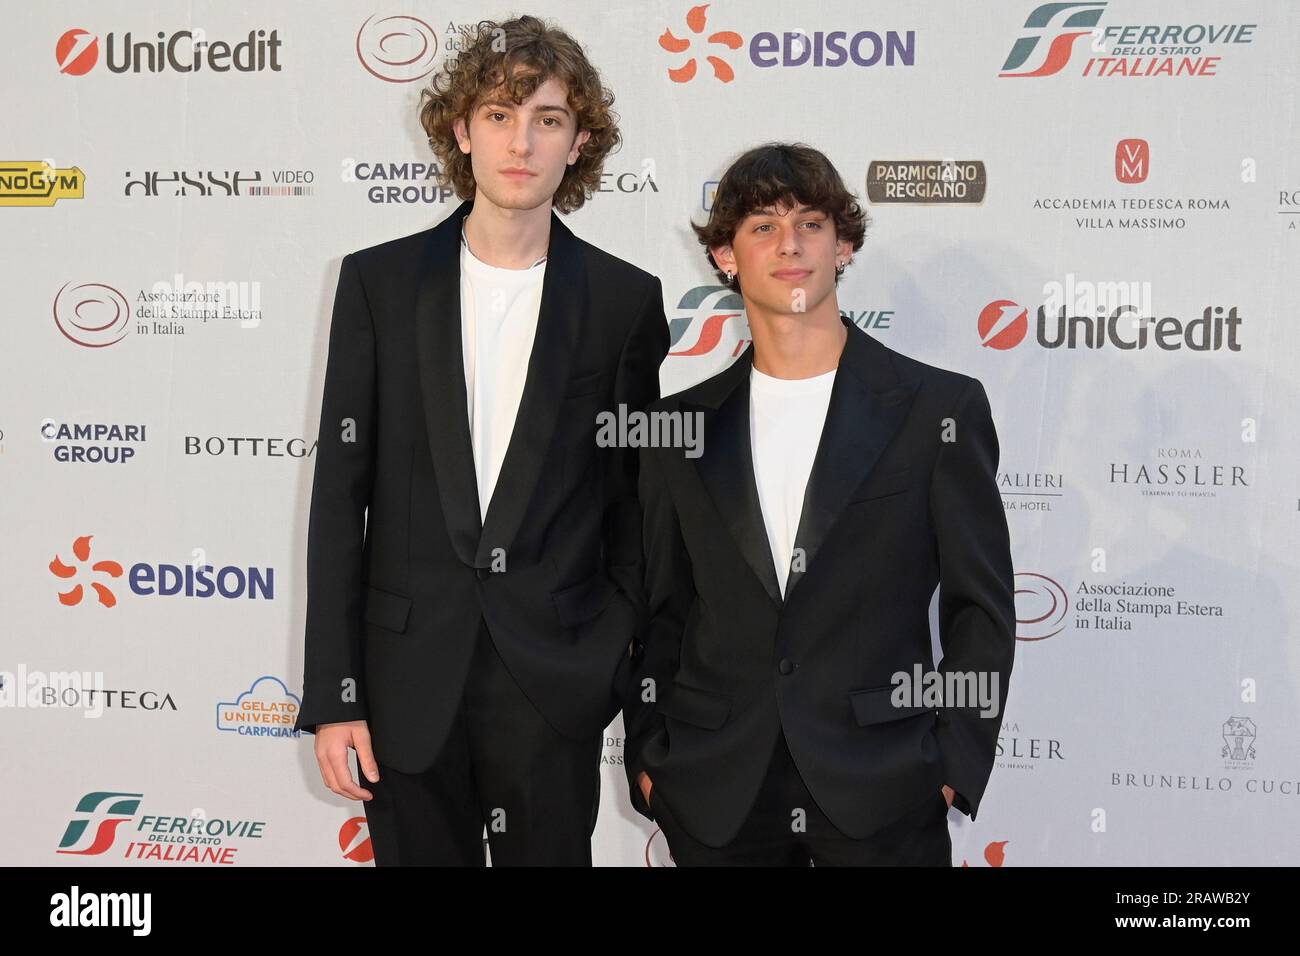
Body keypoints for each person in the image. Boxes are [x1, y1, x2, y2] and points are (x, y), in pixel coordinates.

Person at [294, 15, 668, 866]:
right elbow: (338, 498)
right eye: (498, 115)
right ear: (461, 131)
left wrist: (606, 654)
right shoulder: (377, 285)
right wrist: (337, 694)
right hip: (403, 685)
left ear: (579, 143)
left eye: (547, 119)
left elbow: (633, 503)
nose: (521, 141)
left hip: (552, 685)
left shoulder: (622, 302)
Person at [622, 143, 1015, 865]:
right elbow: (660, 612)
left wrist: (953, 765)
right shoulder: (674, 430)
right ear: (725, 257)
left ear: (846, 245)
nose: (789, 243)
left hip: (885, 784)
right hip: (716, 791)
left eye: (809, 222)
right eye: (762, 227)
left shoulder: (938, 409)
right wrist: (652, 760)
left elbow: (979, 609)